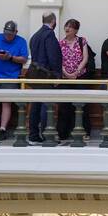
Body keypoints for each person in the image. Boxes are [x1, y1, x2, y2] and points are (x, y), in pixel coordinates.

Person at [0, 20, 28, 136]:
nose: (8, 36)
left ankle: (2, 129)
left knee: (6, 103)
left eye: (10, 34)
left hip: (11, 77)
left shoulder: (21, 41)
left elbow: (24, 59)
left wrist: (10, 57)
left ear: (16, 32)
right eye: (6, 34)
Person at [28, 13, 63, 144]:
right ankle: (47, 135)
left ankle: (33, 135)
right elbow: (53, 57)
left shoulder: (35, 35)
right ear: (53, 21)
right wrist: (57, 75)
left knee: (35, 105)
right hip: (46, 75)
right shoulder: (49, 35)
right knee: (46, 105)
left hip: (35, 75)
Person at [56, 19, 92, 142]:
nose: (67, 28)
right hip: (65, 78)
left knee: (82, 105)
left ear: (76, 30)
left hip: (80, 77)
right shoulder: (60, 43)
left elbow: (85, 58)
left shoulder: (82, 41)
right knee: (64, 106)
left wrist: (76, 72)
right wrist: (66, 73)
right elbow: (58, 60)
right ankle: (63, 133)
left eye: (71, 27)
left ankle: (85, 131)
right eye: (66, 26)